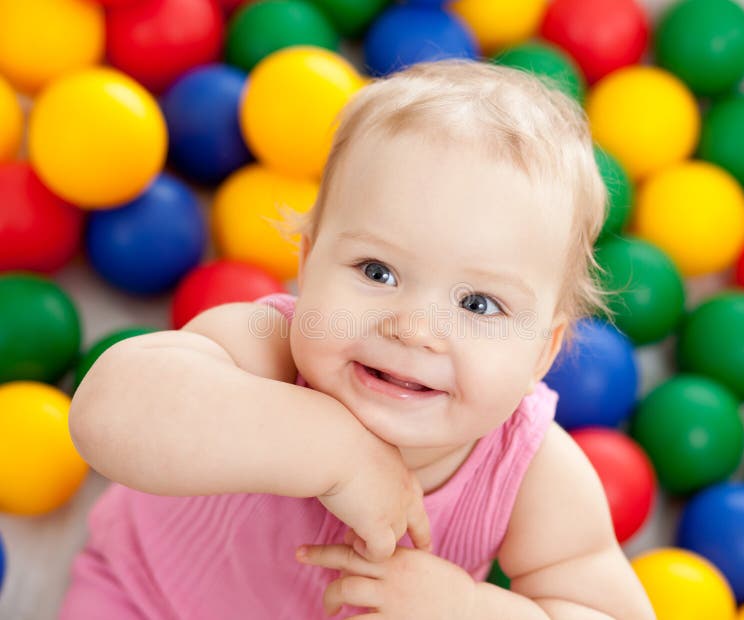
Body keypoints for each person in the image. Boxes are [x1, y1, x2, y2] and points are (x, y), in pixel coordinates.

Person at [61, 58, 655, 619]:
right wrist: (328, 450)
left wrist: (471, 610)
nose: (413, 328)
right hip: (148, 598)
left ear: (542, 353)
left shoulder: (529, 471)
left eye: (478, 304)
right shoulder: (267, 346)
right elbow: (105, 412)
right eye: (378, 272)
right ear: (308, 264)